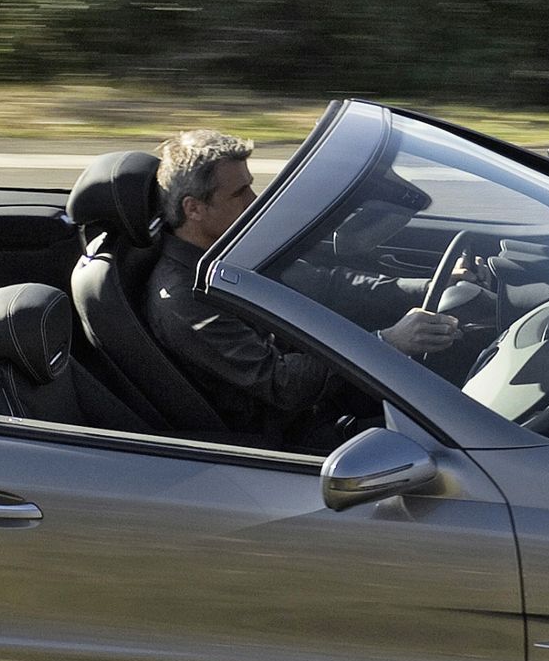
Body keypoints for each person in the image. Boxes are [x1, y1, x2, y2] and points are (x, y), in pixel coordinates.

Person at [144, 129, 461, 450]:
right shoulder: (184, 299)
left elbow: (330, 285)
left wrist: (427, 286)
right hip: (295, 441)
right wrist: (387, 342)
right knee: (456, 442)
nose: (254, 202)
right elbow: (281, 384)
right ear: (194, 209)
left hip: (325, 397)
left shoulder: (232, 255)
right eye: (239, 193)